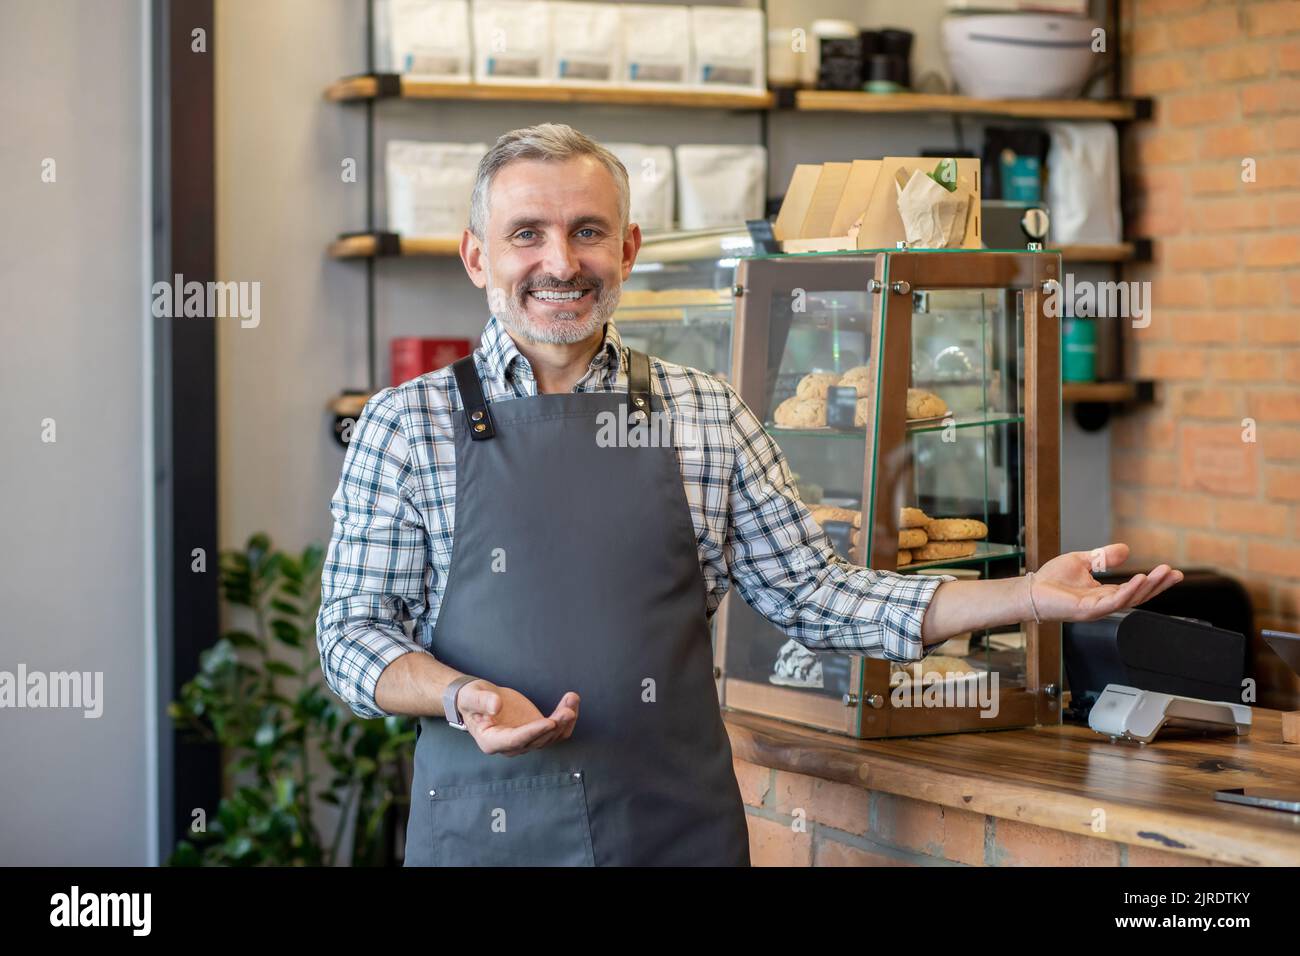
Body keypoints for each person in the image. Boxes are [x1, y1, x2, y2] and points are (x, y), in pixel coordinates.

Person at [316, 123, 1183, 866]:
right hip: (485, 835)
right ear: (477, 256)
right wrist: (459, 695)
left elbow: (818, 593)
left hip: (674, 833)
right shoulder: (407, 423)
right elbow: (351, 635)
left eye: (587, 231)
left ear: (628, 249)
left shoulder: (703, 411)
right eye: (526, 234)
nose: (560, 261)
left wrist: (1027, 594)